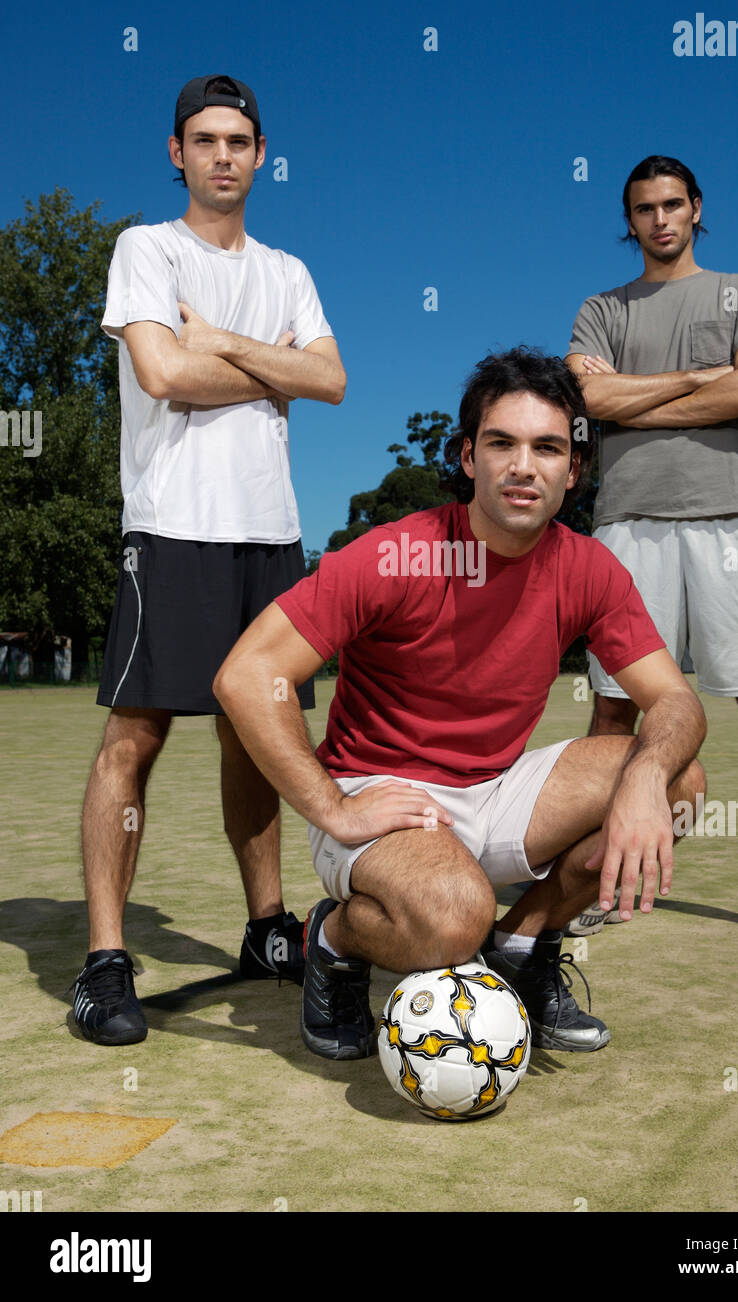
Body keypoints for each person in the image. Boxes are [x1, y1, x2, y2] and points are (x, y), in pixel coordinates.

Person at [214, 348, 707, 1060]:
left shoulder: (588, 566)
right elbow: (247, 675)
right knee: (452, 917)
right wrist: (330, 807)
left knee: (679, 784)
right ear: (467, 457)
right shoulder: (395, 556)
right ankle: (330, 942)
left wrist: (639, 779)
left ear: (573, 470)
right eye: (500, 443)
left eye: (546, 448)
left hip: (496, 789)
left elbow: (675, 703)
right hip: (379, 794)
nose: (522, 466)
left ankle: (524, 944)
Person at [71, 74, 347, 1045]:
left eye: (238, 140)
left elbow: (333, 377)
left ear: (261, 154)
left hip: (268, 532)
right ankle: (106, 959)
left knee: (253, 735)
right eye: (204, 139)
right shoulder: (144, 249)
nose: (222, 155)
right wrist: (269, 367)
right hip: (171, 525)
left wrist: (222, 344)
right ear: (175, 152)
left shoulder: (288, 271)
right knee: (134, 738)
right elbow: (162, 372)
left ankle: (266, 928)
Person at [564, 155, 738, 949]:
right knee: (614, 706)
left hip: (733, 521)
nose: (659, 220)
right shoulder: (600, 308)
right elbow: (589, 399)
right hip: (627, 524)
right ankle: (596, 876)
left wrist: (632, 399)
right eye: (643, 208)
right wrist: (689, 380)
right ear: (629, 219)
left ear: (696, 208)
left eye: (672, 205)